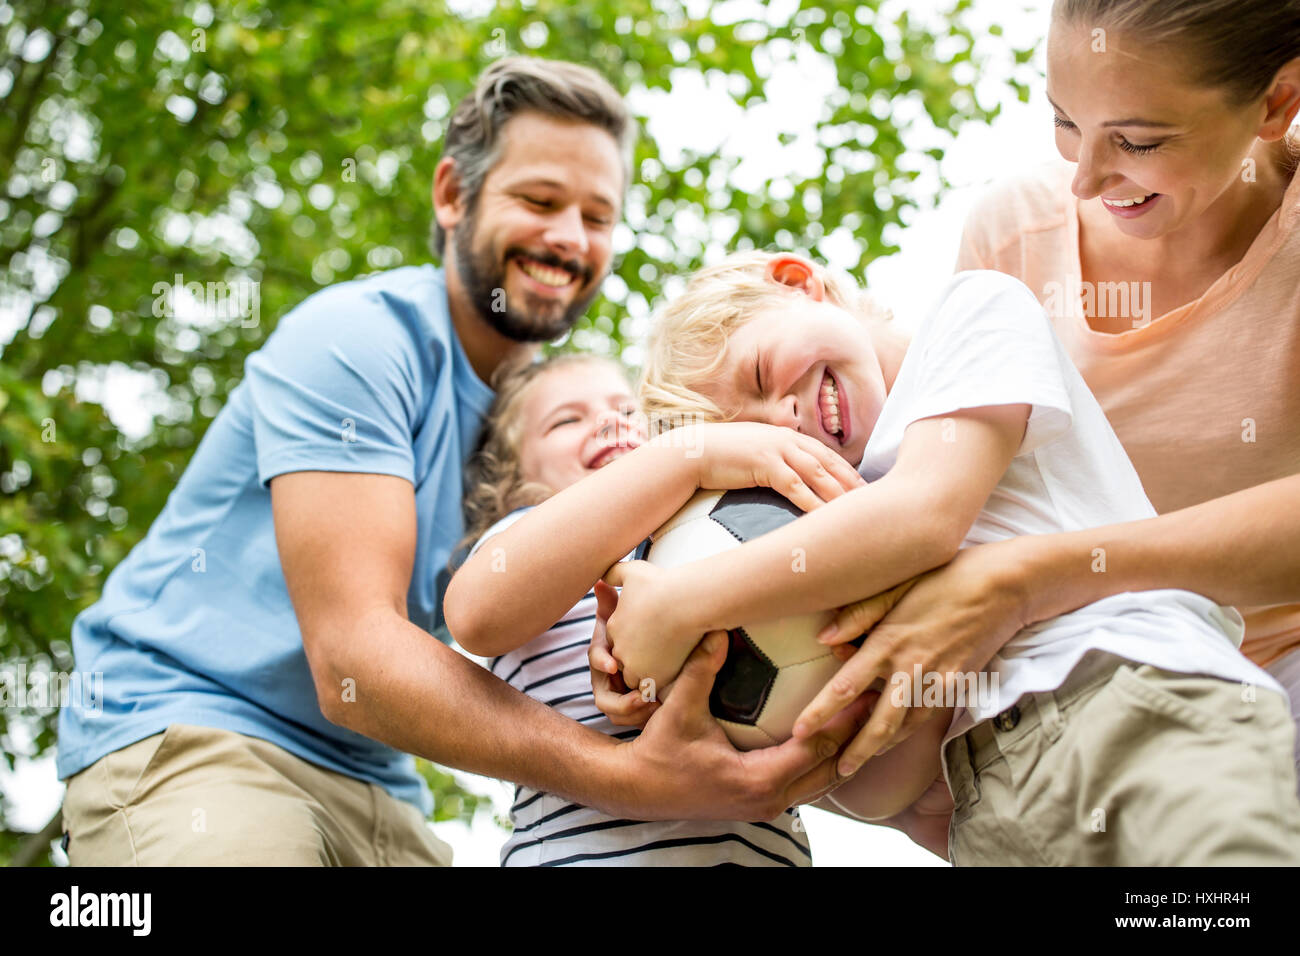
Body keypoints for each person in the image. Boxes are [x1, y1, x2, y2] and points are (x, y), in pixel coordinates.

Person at [56, 57, 854, 867]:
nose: (569, 238)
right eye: (539, 201)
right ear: (451, 195)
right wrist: (628, 779)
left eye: (597, 215)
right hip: (199, 730)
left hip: (378, 775)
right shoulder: (359, 340)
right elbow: (353, 658)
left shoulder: (555, 431)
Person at [593, 249, 1300, 864]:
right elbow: (884, 787)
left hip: (1119, 698)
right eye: (760, 436)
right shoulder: (840, 529)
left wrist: (679, 605)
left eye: (757, 373)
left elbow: (926, 515)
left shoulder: (971, 316)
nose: (786, 417)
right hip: (991, 808)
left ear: (799, 283)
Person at [937, 0, 1300, 788]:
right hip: (1080, 679)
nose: (1085, 179)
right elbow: (945, 487)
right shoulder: (1011, 235)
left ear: (1276, 103)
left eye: (1138, 142)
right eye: (1064, 120)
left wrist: (1034, 577)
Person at [445, 352, 859, 865]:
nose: (608, 422)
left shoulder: (709, 522)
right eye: (566, 420)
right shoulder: (524, 535)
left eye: (626, 410)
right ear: (515, 471)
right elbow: (477, 616)